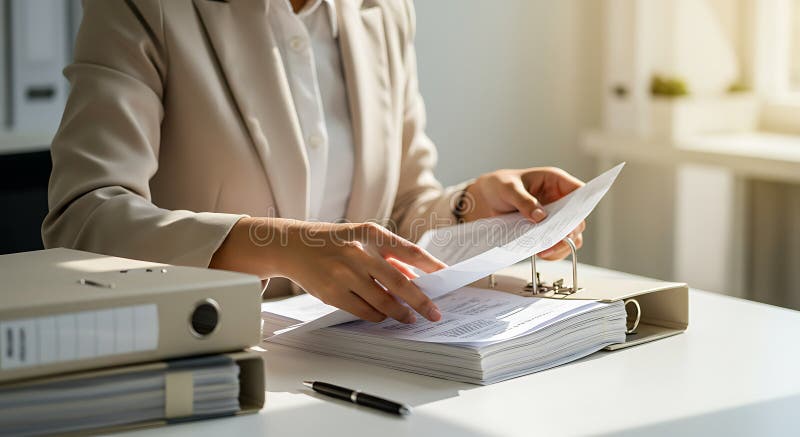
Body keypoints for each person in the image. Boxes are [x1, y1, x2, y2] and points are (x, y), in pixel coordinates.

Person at [43, 0, 585, 325]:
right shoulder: (144, 9)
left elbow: (400, 215)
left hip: (361, 369)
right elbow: (83, 217)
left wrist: (472, 206)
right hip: (211, 358)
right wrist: (278, 243)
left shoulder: (383, 11)